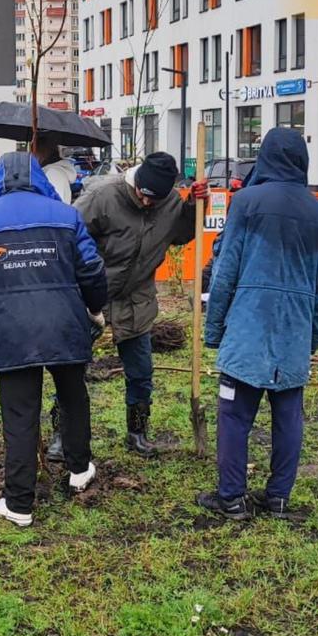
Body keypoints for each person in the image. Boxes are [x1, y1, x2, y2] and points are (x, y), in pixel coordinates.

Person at [0, 153, 107, 527]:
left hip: (10, 331)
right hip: (64, 325)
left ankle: (20, 504)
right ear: (39, 177)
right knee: (73, 398)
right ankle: (79, 469)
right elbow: (91, 269)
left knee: (20, 415)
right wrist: (95, 307)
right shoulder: (67, 217)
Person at [198, 128, 318, 520]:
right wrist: (312, 337)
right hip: (294, 329)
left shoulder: (247, 202)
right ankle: (277, 499)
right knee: (288, 416)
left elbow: (225, 272)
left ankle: (231, 499)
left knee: (235, 415)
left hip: (248, 326)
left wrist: (214, 329)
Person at [73, 152, 210, 459]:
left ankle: (138, 433)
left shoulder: (171, 202)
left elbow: (182, 234)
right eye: (143, 196)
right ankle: (64, 435)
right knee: (72, 371)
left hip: (137, 301)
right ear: (136, 181)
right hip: (89, 299)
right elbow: (70, 233)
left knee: (141, 372)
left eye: (155, 200)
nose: (147, 203)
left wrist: (194, 207)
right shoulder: (102, 197)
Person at [34, 132, 77, 205]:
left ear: (43, 151)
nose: (32, 154)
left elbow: (53, 205)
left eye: (34, 150)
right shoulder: (51, 171)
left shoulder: (53, 174)